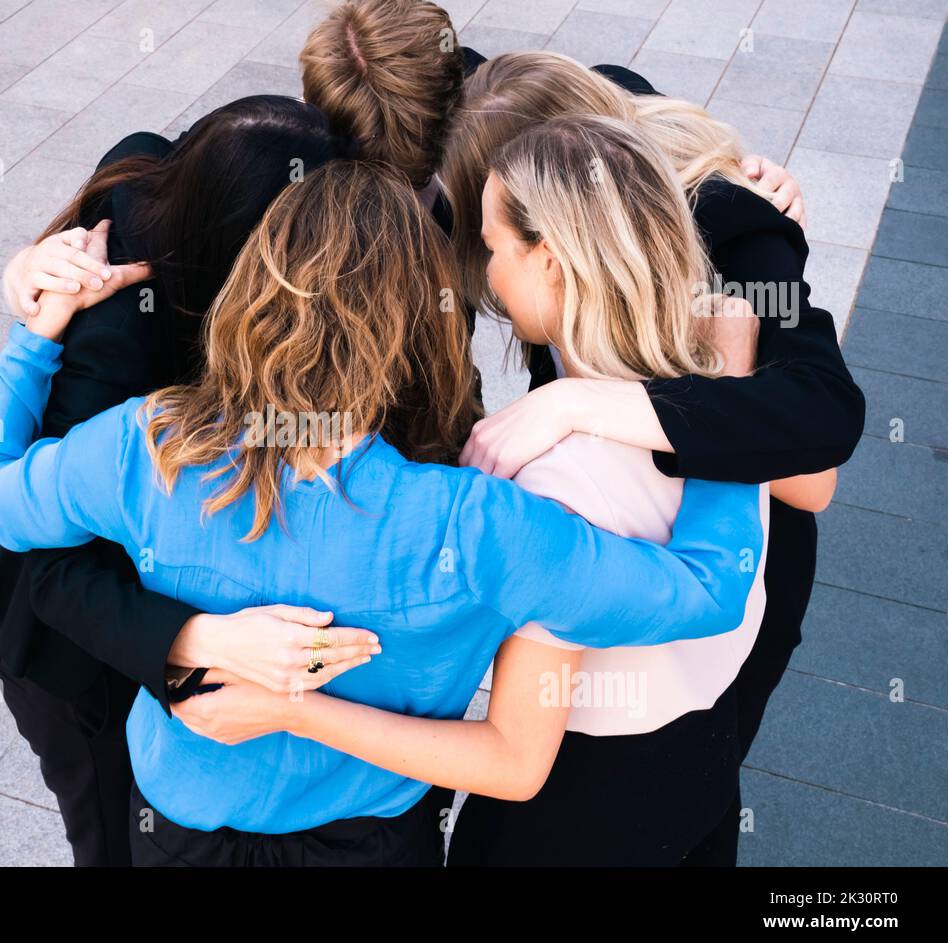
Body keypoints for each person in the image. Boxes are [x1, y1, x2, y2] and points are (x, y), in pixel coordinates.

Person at [0, 159, 763, 867]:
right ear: (418, 329)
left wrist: (38, 332)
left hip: (177, 828)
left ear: (254, 290)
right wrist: (722, 416)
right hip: (369, 845)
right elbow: (710, 590)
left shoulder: (145, 447)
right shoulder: (479, 521)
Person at [173, 116, 836, 866]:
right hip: (705, 770)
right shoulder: (730, 396)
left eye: (492, 248)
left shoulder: (553, 485)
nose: (484, 274)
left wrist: (286, 707)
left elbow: (512, 762)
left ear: (549, 259)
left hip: (574, 818)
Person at [437, 52, 864, 863]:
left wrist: (584, 404)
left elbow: (816, 459)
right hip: (678, 572)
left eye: (495, 242)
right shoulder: (553, 117)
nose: (484, 275)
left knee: (664, 754)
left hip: (720, 545)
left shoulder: (734, 228)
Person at [0, 96, 370, 866]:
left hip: (152, 610)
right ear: (244, 239)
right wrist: (200, 641)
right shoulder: (120, 340)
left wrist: (20, 264)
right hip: (79, 660)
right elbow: (48, 559)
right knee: (113, 842)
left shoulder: (158, 162)